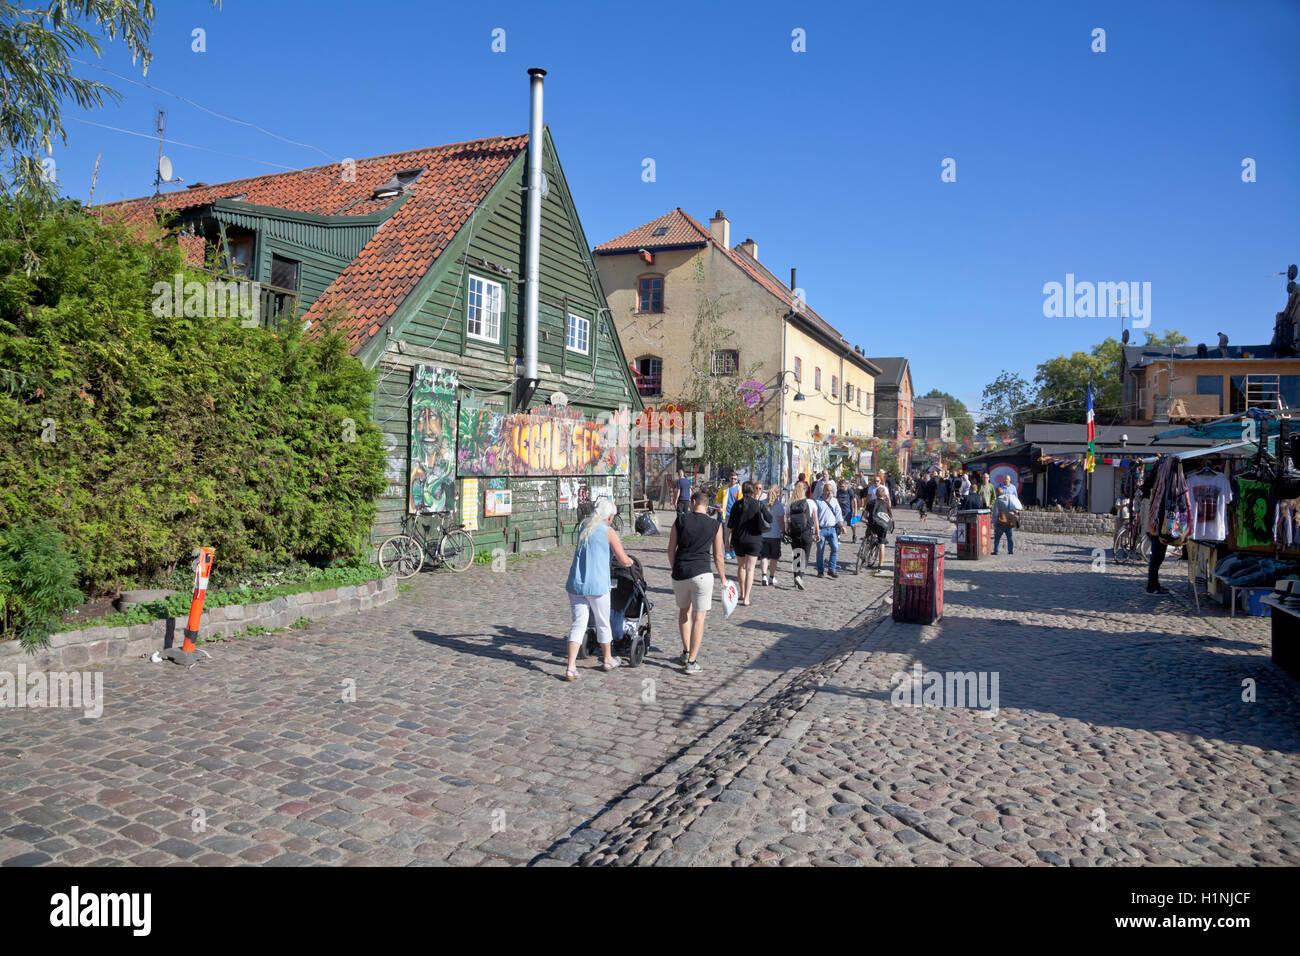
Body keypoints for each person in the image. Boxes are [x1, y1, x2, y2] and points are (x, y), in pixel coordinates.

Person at [564, 498, 634, 680]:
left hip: (577, 584)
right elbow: (623, 560)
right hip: (597, 585)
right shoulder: (608, 532)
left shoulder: (584, 527)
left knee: (579, 623)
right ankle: (608, 659)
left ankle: (571, 667)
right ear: (610, 517)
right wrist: (630, 562)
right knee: (603, 622)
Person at [667, 489, 728, 675]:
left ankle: (686, 652)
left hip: (681, 573)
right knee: (699, 617)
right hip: (702, 574)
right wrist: (723, 578)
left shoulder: (680, 520)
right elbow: (718, 555)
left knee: (684, 612)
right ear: (706, 504)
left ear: (693, 502)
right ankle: (692, 661)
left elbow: (670, 549)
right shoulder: (715, 525)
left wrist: (674, 567)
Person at [728, 480, 771, 606]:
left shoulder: (736, 505)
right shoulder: (758, 504)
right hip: (754, 540)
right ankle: (746, 598)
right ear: (753, 491)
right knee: (750, 569)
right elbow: (770, 518)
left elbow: (730, 525)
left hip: (739, 540)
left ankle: (741, 593)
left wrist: (726, 541)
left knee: (741, 567)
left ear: (742, 491)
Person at [1141, 466, 1168, 594]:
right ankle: (1152, 586)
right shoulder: (1160, 488)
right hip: (1157, 529)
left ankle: (1154, 584)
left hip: (1156, 528)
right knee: (1156, 558)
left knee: (1157, 558)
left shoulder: (1158, 488)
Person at [787, 481, 817, 590]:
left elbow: (787, 519)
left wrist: (787, 530)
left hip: (794, 532)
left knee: (796, 556)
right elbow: (815, 518)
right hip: (806, 532)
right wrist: (817, 532)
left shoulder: (791, 503)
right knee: (805, 556)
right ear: (804, 490)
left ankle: (796, 578)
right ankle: (799, 576)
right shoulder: (809, 502)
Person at [814, 482, 845, 578]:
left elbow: (838, 514)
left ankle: (831, 570)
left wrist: (842, 526)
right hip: (821, 529)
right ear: (823, 490)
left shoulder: (834, 501)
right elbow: (814, 517)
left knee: (835, 548)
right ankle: (820, 571)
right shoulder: (818, 501)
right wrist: (816, 529)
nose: (829, 493)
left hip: (832, 529)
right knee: (820, 550)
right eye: (827, 490)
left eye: (831, 491)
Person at [760, 483, 788, 587]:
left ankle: (763, 576)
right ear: (777, 494)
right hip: (775, 535)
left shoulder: (762, 504)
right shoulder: (779, 506)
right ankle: (771, 577)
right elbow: (781, 522)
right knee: (774, 558)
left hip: (764, 534)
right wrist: (784, 531)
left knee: (764, 556)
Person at [992, 480, 1022, 556]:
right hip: (1010, 521)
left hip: (1001, 521)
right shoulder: (1009, 498)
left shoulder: (997, 501)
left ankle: (996, 551)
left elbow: (995, 513)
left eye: (996, 492)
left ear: (997, 493)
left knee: (997, 537)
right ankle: (1010, 551)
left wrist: (994, 523)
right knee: (1010, 537)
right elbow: (1015, 507)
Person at [720, 472, 741, 559]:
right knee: (725, 533)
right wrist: (719, 507)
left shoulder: (739, 489)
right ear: (729, 478)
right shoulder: (724, 488)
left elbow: (742, 501)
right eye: (732, 478)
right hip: (726, 514)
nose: (733, 480)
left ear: (737, 480)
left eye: (735, 479)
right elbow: (718, 499)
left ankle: (732, 550)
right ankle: (727, 551)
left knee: (734, 533)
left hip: (736, 515)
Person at [837, 479, 857, 544]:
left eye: (843, 486)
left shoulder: (850, 491)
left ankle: (854, 536)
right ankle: (838, 538)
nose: (841, 488)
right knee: (839, 524)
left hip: (849, 511)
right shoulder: (839, 491)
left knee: (852, 524)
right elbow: (837, 500)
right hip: (841, 511)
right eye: (840, 486)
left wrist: (855, 511)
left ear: (846, 485)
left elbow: (854, 501)